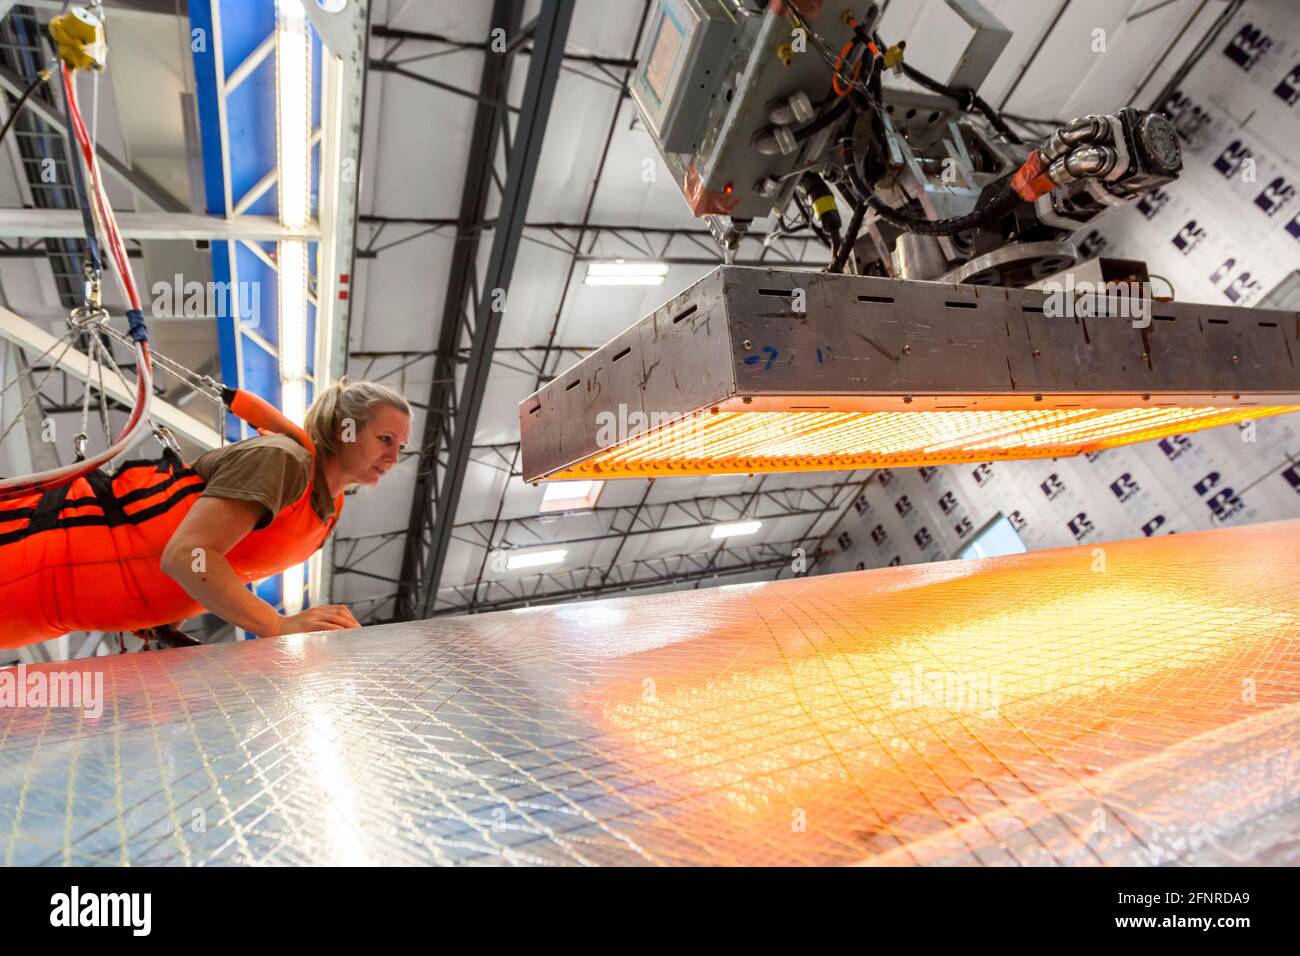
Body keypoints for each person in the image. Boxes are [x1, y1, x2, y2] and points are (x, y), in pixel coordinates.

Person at [0, 380, 411, 648]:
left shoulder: (323, 518)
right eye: (385, 439)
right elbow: (186, 555)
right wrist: (276, 626)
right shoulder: (284, 461)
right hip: (34, 557)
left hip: (51, 612)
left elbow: (208, 563)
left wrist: (164, 615)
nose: (394, 457)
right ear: (345, 429)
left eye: (401, 447)